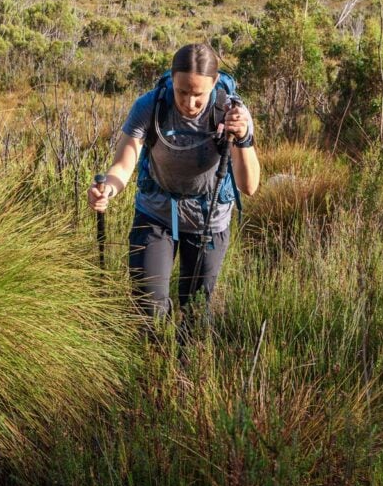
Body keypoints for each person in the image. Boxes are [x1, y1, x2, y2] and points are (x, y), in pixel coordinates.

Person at [88, 43, 260, 328]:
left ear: (215, 84)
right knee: (149, 305)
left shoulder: (233, 114)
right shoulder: (151, 106)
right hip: (156, 214)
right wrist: (108, 188)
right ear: (171, 79)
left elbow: (249, 185)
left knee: (194, 311)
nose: (189, 103)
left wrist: (242, 138)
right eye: (182, 91)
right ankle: (153, 362)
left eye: (198, 95)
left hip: (209, 220)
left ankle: (185, 367)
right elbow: (124, 162)